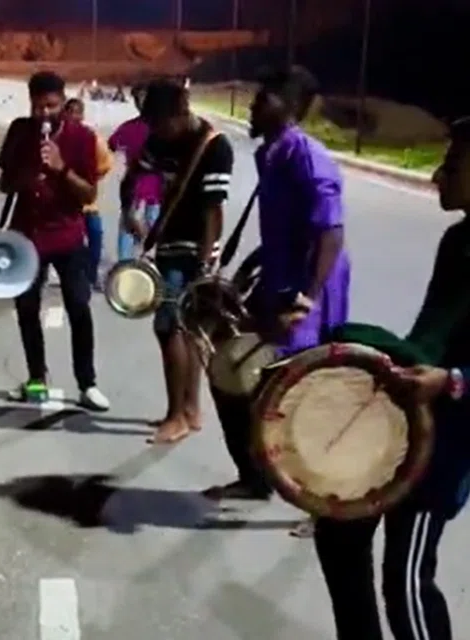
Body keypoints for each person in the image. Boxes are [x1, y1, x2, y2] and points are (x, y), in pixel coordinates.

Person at [312, 115, 470, 640]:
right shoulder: (459, 241)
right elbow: (434, 332)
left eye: (451, 165)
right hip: (405, 419)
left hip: (447, 439)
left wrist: (450, 381)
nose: (437, 177)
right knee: (337, 534)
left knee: (405, 580)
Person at [201, 67, 350, 545]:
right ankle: (255, 477)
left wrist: (308, 295)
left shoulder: (308, 157)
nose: (250, 106)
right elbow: (281, 232)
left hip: (309, 289)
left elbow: (330, 232)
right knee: (230, 375)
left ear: (286, 106)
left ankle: (328, 504)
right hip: (276, 282)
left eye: (260, 98)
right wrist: (247, 274)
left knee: (302, 398)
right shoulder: (272, 153)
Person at [0, 70, 110, 411]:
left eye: (51, 106)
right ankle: (36, 378)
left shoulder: (82, 137)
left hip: (68, 235)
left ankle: (87, 383)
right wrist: (24, 175)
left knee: (78, 306)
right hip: (26, 236)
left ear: (62, 102)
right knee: (26, 309)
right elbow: (4, 184)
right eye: (37, 106)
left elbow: (89, 192)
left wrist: (61, 168)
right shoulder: (19, 131)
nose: (44, 113)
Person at [133, 79, 232, 443]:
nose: (155, 132)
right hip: (169, 243)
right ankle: (189, 410)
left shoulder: (214, 147)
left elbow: (212, 211)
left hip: (198, 247)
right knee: (187, 329)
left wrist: (205, 268)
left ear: (180, 114)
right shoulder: (160, 140)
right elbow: (140, 174)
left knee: (167, 325)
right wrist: (134, 209)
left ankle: (176, 416)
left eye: (159, 123)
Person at [63, 98, 114, 289]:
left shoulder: (92, 139)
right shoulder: (58, 137)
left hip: (87, 202)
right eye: (70, 112)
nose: (74, 116)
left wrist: (92, 178)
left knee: (95, 236)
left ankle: (92, 275)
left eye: (78, 112)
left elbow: (107, 163)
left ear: (82, 115)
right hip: (64, 204)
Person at [108, 85, 162, 261]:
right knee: (140, 224)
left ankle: (132, 263)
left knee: (137, 225)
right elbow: (112, 144)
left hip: (150, 185)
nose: (141, 103)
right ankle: (133, 263)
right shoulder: (161, 128)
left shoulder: (132, 127)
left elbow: (113, 144)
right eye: (138, 99)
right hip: (142, 185)